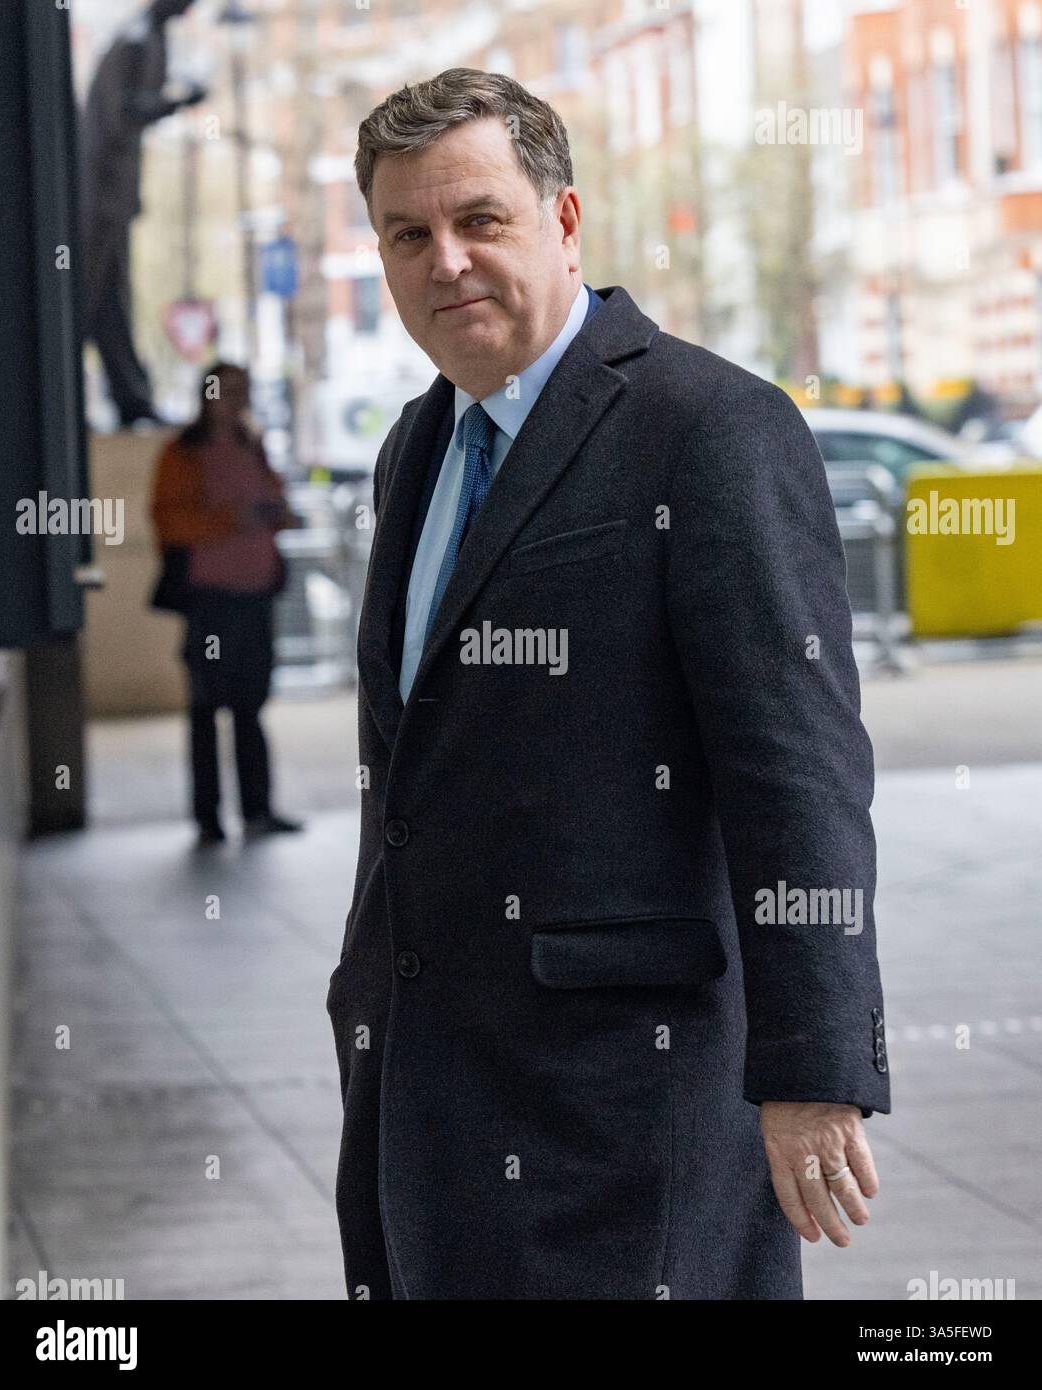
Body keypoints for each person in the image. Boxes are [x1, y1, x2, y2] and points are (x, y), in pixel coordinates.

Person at [327, 68, 890, 1301]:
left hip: (624, 1102)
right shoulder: (415, 449)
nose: (448, 262)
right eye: (409, 235)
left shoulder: (708, 428)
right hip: (424, 1094)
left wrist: (811, 1065)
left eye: (483, 221)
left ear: (565, 221)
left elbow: (794, 769)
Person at [150, 362, 304, 847]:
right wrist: (231, 520)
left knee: (250, 706)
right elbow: (171, 522)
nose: (236, 399)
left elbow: (273, 500)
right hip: (211, 601)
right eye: (227, 390)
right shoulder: (182, 453)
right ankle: (208, 819)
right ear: (207, 395)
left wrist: (277, 515)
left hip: (256, 595)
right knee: (204, 708)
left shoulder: (250, 445)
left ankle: (257, 810)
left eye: (243, 389)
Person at [80, 0, 206, 426]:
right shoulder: (135, 40)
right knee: (88, 294)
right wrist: (177, 100)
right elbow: (121, 112)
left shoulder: (146, 36)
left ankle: (131, 399)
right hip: (100, 194)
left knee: (108, 299)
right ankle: (84, 394)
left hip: (110, 193)